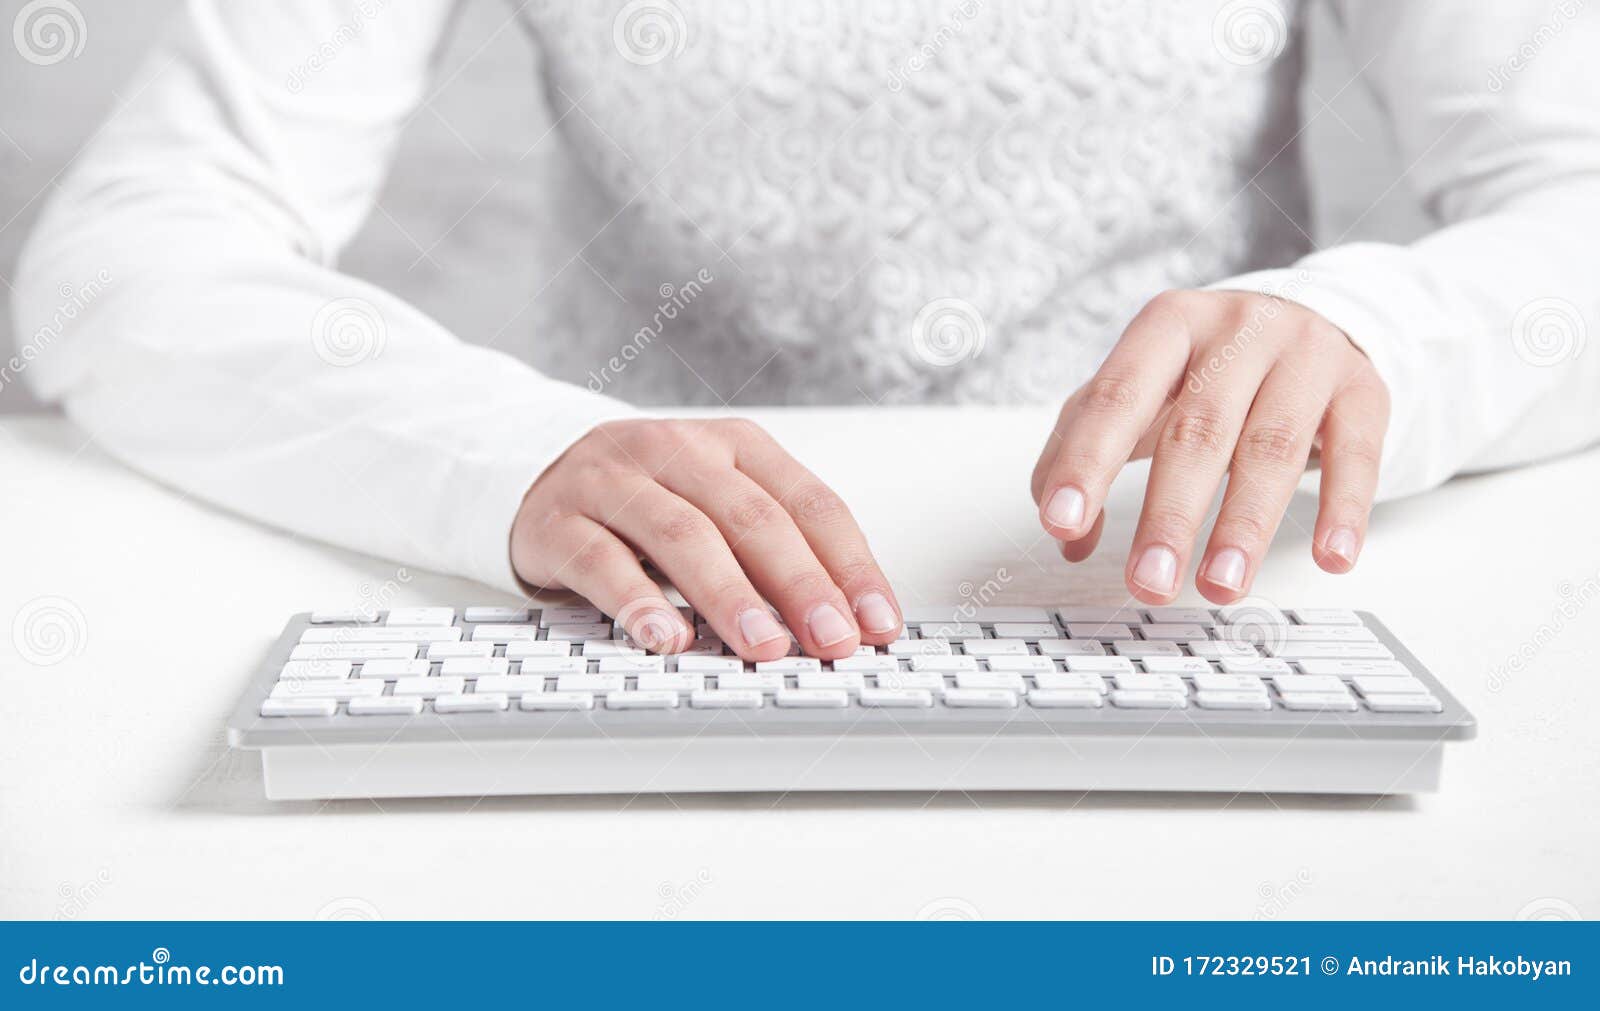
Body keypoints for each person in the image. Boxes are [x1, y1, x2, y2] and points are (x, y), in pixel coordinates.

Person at [12, 1, 1600, 662]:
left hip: (1178, 602)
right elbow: (131, 253)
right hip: (653, 636)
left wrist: (1378, 331)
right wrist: (503, 452)